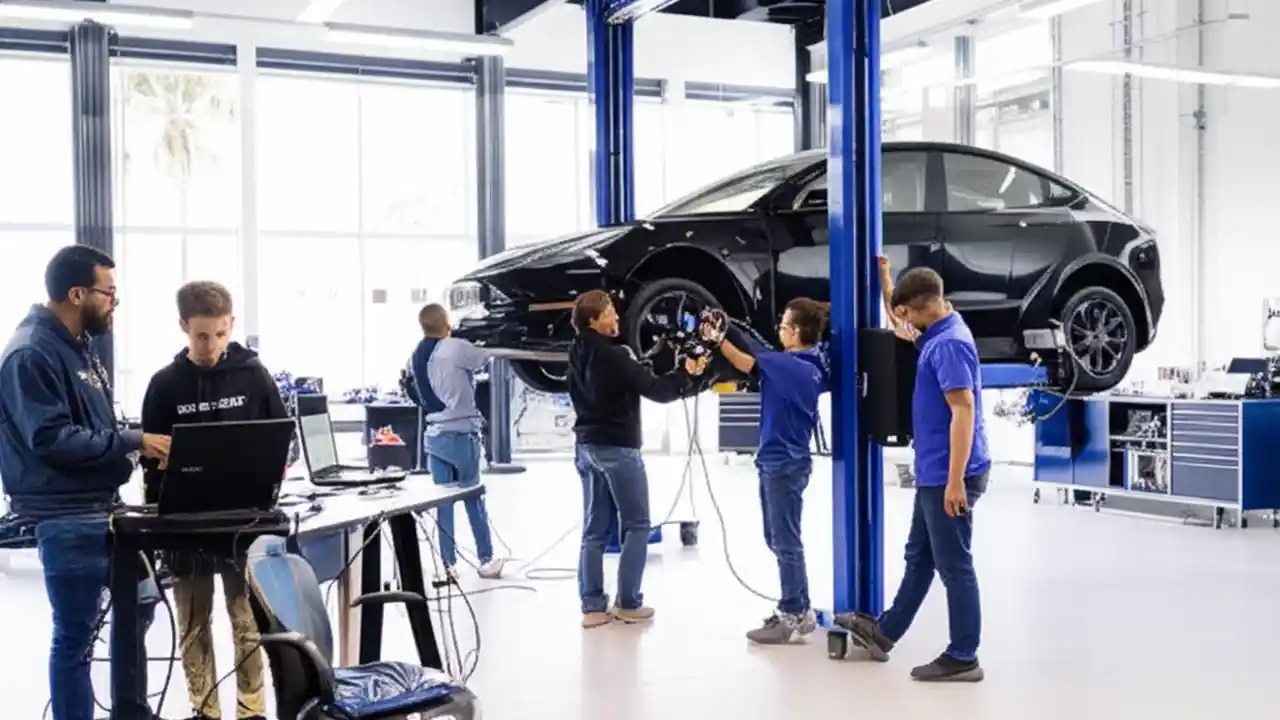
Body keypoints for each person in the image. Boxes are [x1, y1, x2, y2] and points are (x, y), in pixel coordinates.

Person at [0, 245, 171, 720]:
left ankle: (129, 710)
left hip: (103, 507)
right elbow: (50, 438)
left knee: (139, 607)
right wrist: (132, 440)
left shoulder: (76, 346)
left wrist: (131, 442)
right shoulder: (31, 353)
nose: (115, 301)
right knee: (75, 638)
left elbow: (94, 427)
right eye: (108, 292)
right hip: (65, 516)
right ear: (77, 294)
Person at [835, 266, 991, 682]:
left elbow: (963, 411)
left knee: (954, 566)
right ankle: (885, 634)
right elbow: (900, 318)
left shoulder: (950, 346)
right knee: (919, 557)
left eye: (904, 311)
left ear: (915, 307)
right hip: (936, 470)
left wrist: (955, 481)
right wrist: (886, 280)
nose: (900, 320)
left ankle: (964, 656)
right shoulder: (942, 327)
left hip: (949, 473)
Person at [139, 281, 284, 720]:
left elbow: (279, 438)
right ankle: (206, 712)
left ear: (231, 325)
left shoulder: (253, 374)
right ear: (184, 326)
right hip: (187, 525)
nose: (211, 344)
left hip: (243, 521)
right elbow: (149, 460)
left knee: (247, 624)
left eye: (220, 334)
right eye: (202, 335)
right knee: (194, 624)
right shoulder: (164, 385)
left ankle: (252, 711)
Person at [567, 290, 708, 629]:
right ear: (593, 321)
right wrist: (686, 373)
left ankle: (592, 608)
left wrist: (650, 361)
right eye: (610, 312)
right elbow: (657, 390)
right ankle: (628, 603)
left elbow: (629, 377)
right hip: (617, 449)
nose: (616, 316)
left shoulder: (577, 351)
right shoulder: (615, 357)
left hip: (586, 447)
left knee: (594, 532)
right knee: (637, 525)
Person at [706, 298, 831, 644]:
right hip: (783, 461)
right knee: (777, 538)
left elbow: (744, 359)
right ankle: (800, 609)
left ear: (796, 332)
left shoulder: (789, 366)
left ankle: (791, 611)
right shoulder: (814, 362)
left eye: (784, 325)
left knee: (785, 541)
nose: (779, 330)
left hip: (782, 463)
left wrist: (719, 338)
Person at [410, 303, 505, 580]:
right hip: (461, 434)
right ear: (445, 322)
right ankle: (486, 559)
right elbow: (484, 357)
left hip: (434, 436)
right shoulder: (454, 347)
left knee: (445, 501)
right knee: (473, 497)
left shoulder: (416, 355)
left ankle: (447, 565)